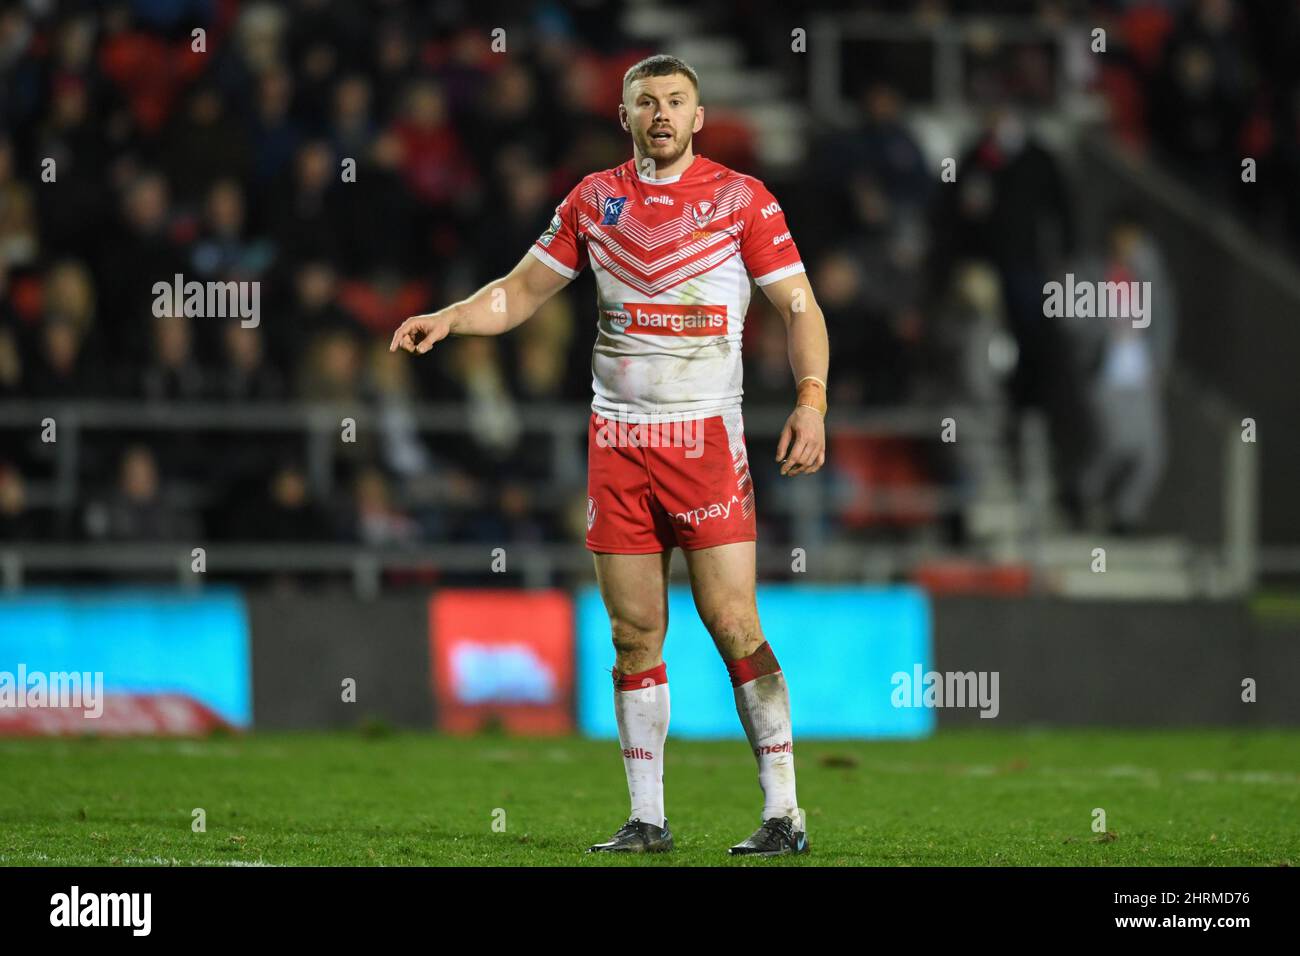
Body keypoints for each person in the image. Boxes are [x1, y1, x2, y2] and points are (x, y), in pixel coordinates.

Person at [391, 54, 828, 857]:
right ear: (624, 116)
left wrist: (811, 400)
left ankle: (784, 813)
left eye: (674, 102)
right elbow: (521, 292)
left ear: (698, 117)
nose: (660, 114)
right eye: (645, 103)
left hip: (704, 439)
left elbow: (799, 307)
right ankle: (648, 820)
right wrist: (451, 317)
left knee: (733, 623)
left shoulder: (741, 199)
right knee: (634, 635)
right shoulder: (594, 201)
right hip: (617, 445)